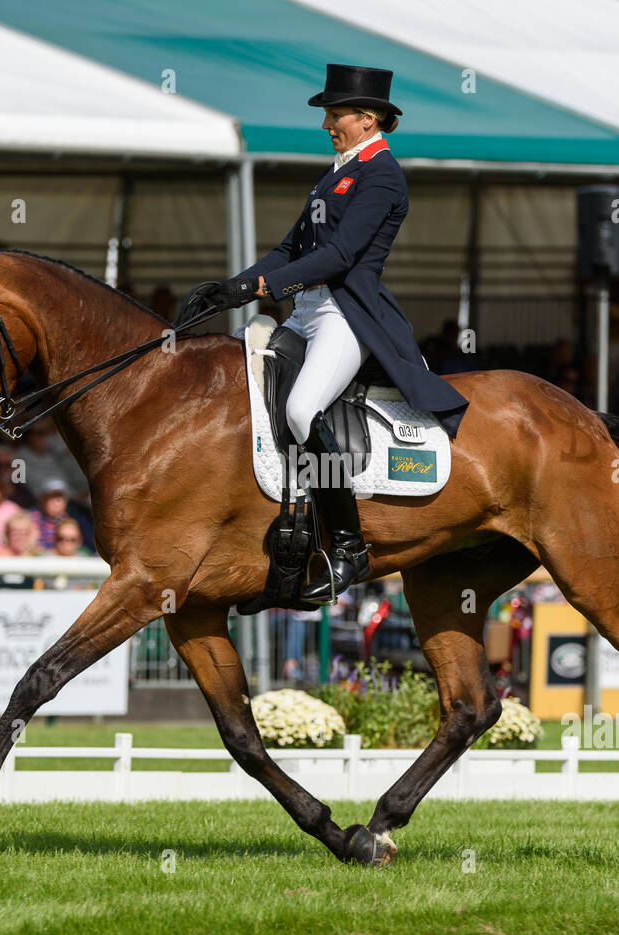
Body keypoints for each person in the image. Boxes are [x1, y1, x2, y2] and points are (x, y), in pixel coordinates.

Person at [209, 64, 468, 602]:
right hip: (304, 311)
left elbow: (340, 256)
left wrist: (261, 285)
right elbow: (291, 250)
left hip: (346, 316)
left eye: (334, 114)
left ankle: (349, 546)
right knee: (231, 376)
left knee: (303, 410)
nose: (327, 123)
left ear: (367, 118)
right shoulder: (334, 174)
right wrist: (231, 287)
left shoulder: (382, 175)